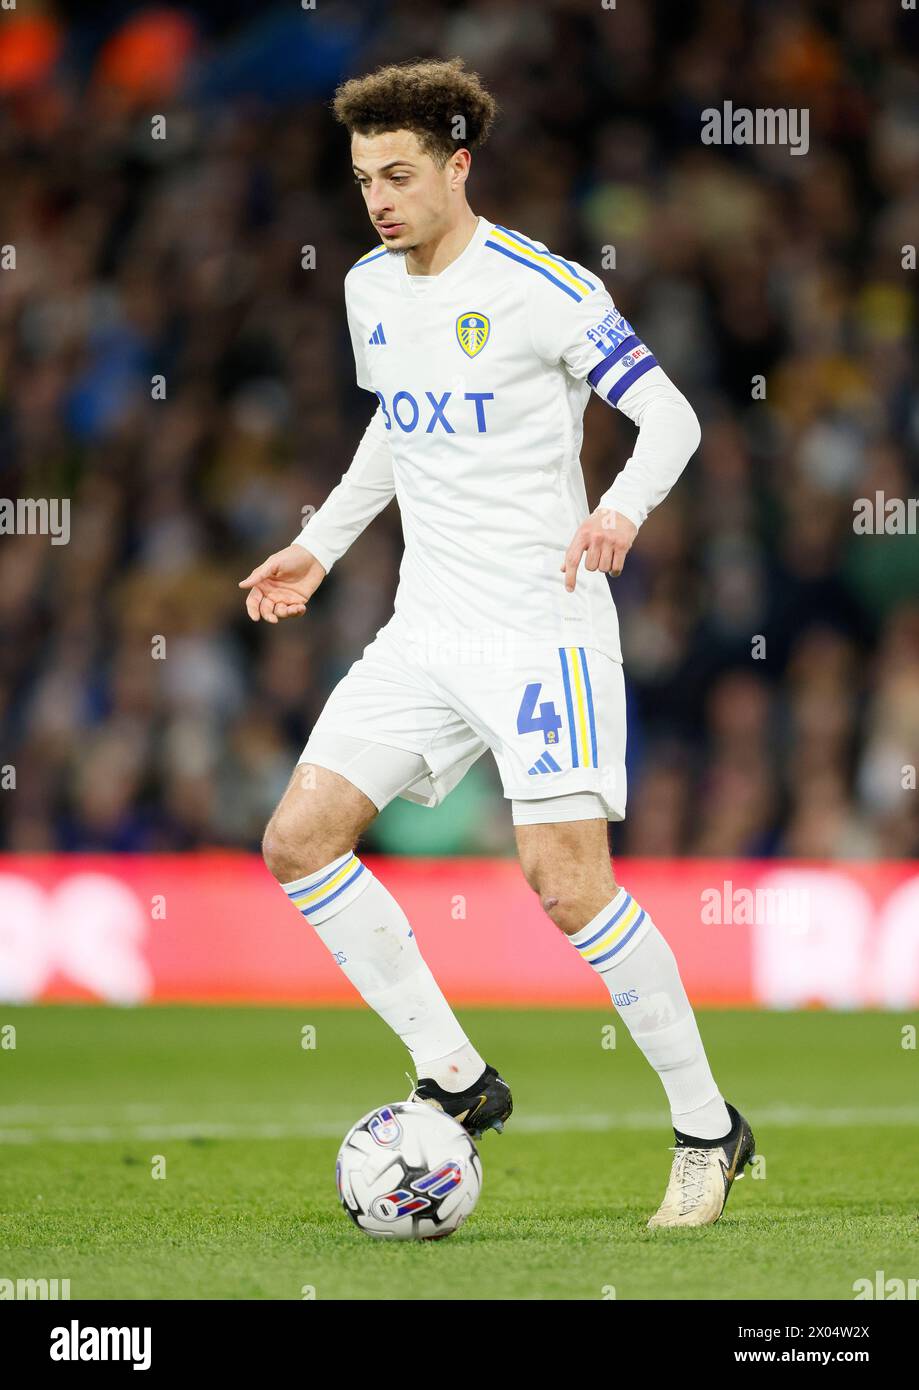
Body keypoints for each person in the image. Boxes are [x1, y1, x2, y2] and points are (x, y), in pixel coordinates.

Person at [240, 58, 754, 1227]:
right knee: (299, 837)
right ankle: (459, 1079)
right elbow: (394, 426)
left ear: (459, 166)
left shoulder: (544, 288)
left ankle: (707, 1128)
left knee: (567, 888)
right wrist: (318, 545)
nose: (379, 198)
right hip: (424, 624)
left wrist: (617, 509)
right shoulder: (369, 287)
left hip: (540, 627)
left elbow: (669, 413)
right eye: (365, 176)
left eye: (402, 174)